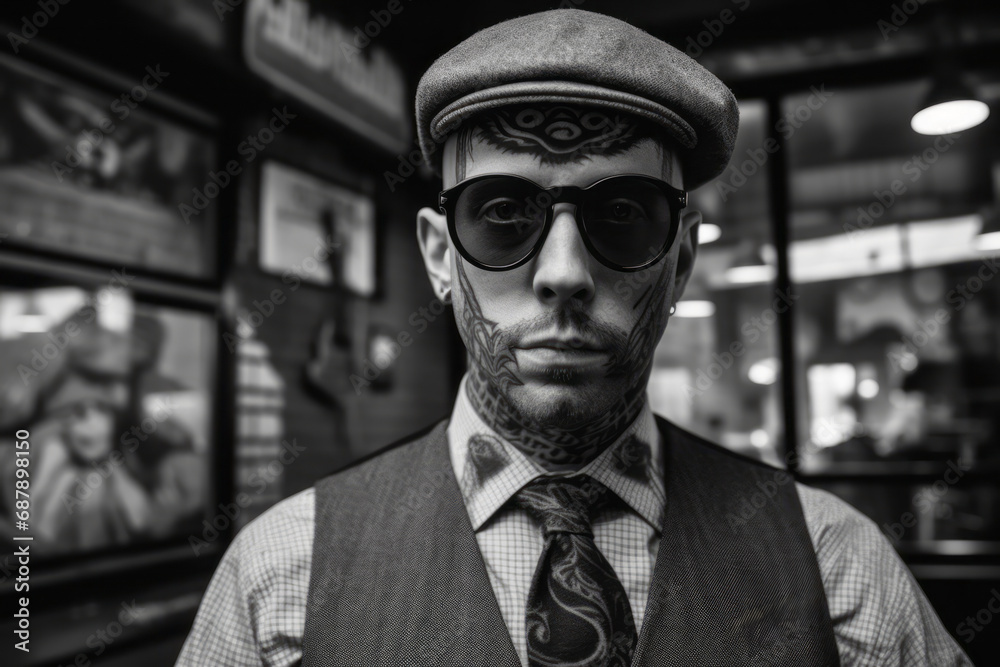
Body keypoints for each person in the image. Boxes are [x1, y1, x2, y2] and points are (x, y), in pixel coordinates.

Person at [177, 9, 972, 666]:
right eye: (502, 213)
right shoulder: (280, 580)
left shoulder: (838, 571)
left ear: (681, 261)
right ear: (440, 257)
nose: (563, 273)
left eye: (622, 214)